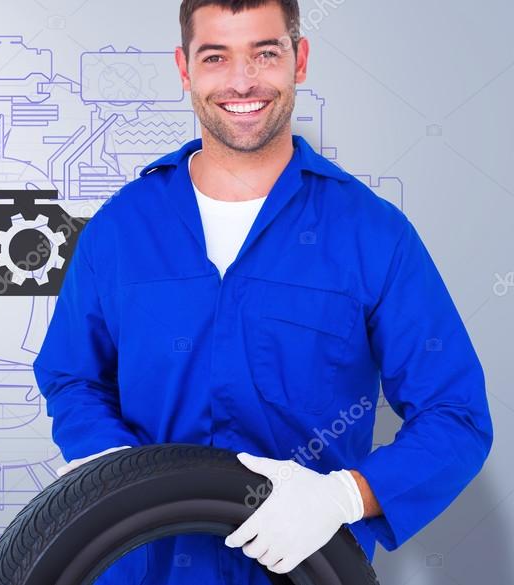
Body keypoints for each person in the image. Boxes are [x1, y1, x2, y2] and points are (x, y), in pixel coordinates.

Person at [32, 0, 494, 582]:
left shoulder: (370, 234)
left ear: (299, 59)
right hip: (139, 567)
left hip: (303, 572)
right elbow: (73, 375)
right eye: (216, 56)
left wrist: (345, 497)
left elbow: (456, 416)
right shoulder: (121, 229)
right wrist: (106, 462)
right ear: (185, 69)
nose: (242, 81)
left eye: (265, 53)